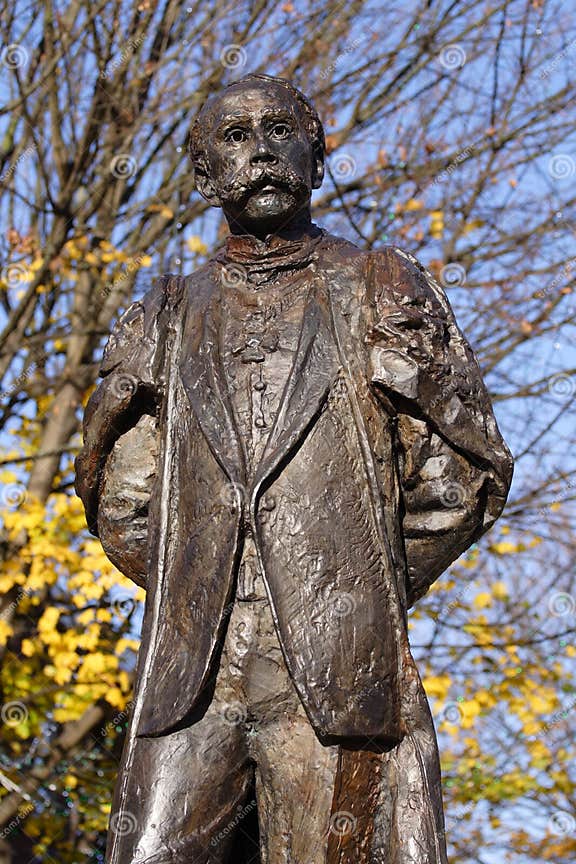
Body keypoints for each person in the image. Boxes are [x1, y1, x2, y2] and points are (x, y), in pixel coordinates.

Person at [75, 74, 513, 864]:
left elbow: (461, 476)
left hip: (337, 667)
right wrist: (200, 582)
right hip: (190, 676)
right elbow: (122, 499)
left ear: (316, 154)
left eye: (281, 131)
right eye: (236, 138)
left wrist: (353, 584)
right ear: (204, 174)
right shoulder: (164, 312)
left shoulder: (379, 286)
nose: (262, 152)